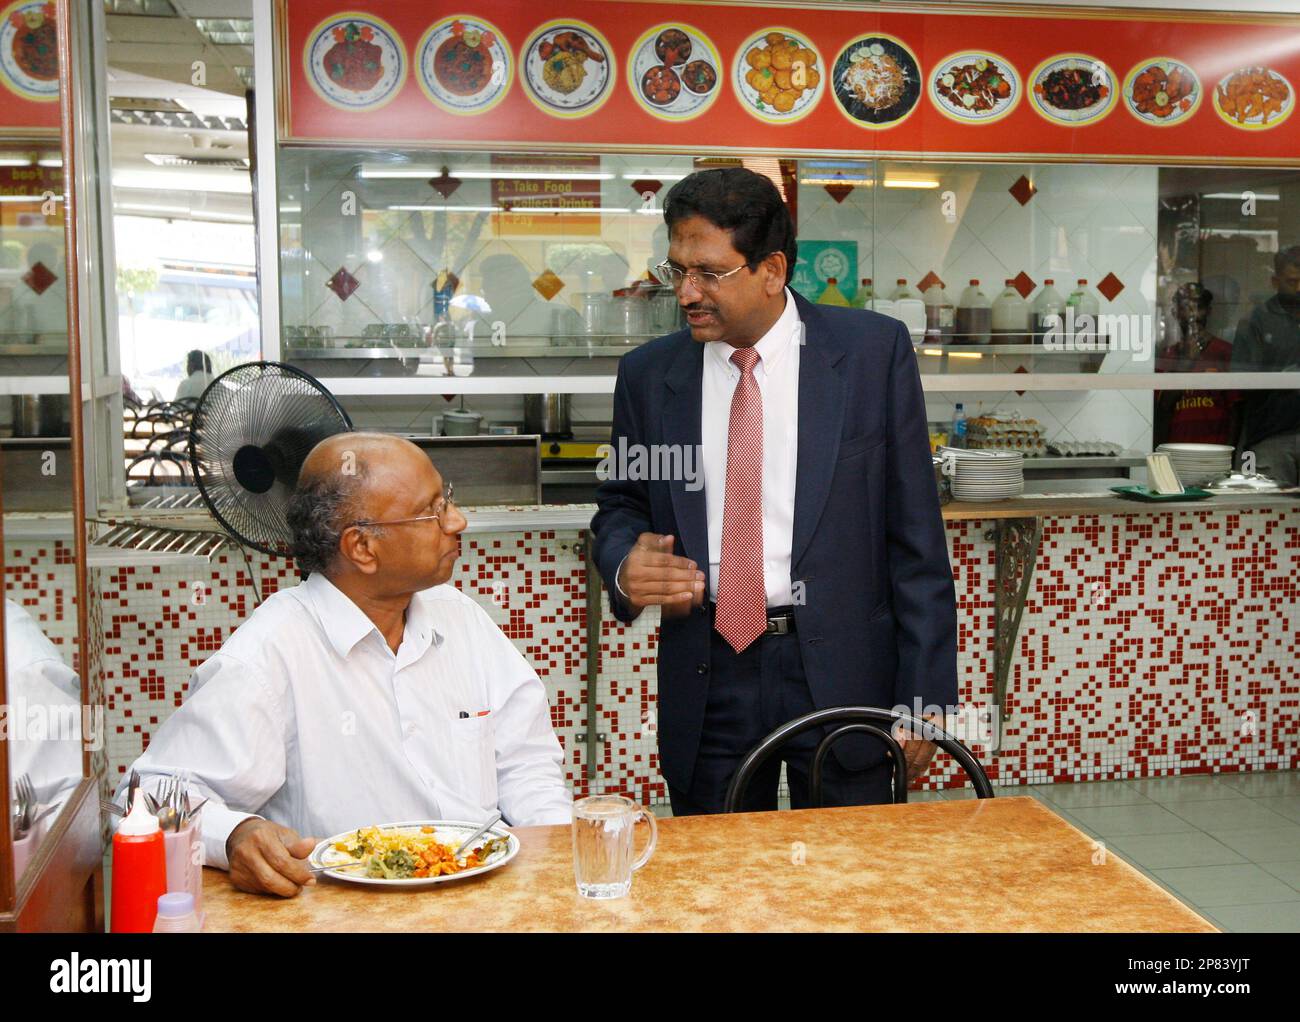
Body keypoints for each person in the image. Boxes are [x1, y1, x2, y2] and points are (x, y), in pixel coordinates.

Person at [591, 168, 957, 815]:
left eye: (709, 272)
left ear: (772, 269)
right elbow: (620, 505)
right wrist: (625, 564)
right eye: (676, 269)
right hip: (710, 671)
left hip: (844, 670)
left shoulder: (871, 354)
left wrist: (924, 702)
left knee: (850, 883)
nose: (686, 293)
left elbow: (916, 539)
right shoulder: (650, 376)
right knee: (720, 887)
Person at [118, 432, 572, 896]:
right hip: (347, 913)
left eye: (448, 499)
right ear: (362, 548)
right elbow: (147, 799)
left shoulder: (458, 616)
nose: (457, 521)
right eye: (433, 510)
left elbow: (526, 760)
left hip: (486, 903)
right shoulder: (268, 654)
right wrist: (232, 835)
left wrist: (557, 860)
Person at [1231, 245, 1300, 485]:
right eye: (1293, 281)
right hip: (1270, 436)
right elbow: (1241, 380)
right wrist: (1282, 378)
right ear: (1275, 280)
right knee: (1266, 512)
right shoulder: (1257, 321)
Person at [1154, 283, 1239, 446]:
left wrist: (1231, 455)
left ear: (1209, 311)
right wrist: (1187, 362)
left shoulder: (1224, 353)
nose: (1193, 315)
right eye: (1186, 307)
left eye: (1198, 307)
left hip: (1215, 450)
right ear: (1175, 313)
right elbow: (1162, 408)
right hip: (1176, 450)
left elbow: (1236, 412)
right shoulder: (1166, 356)